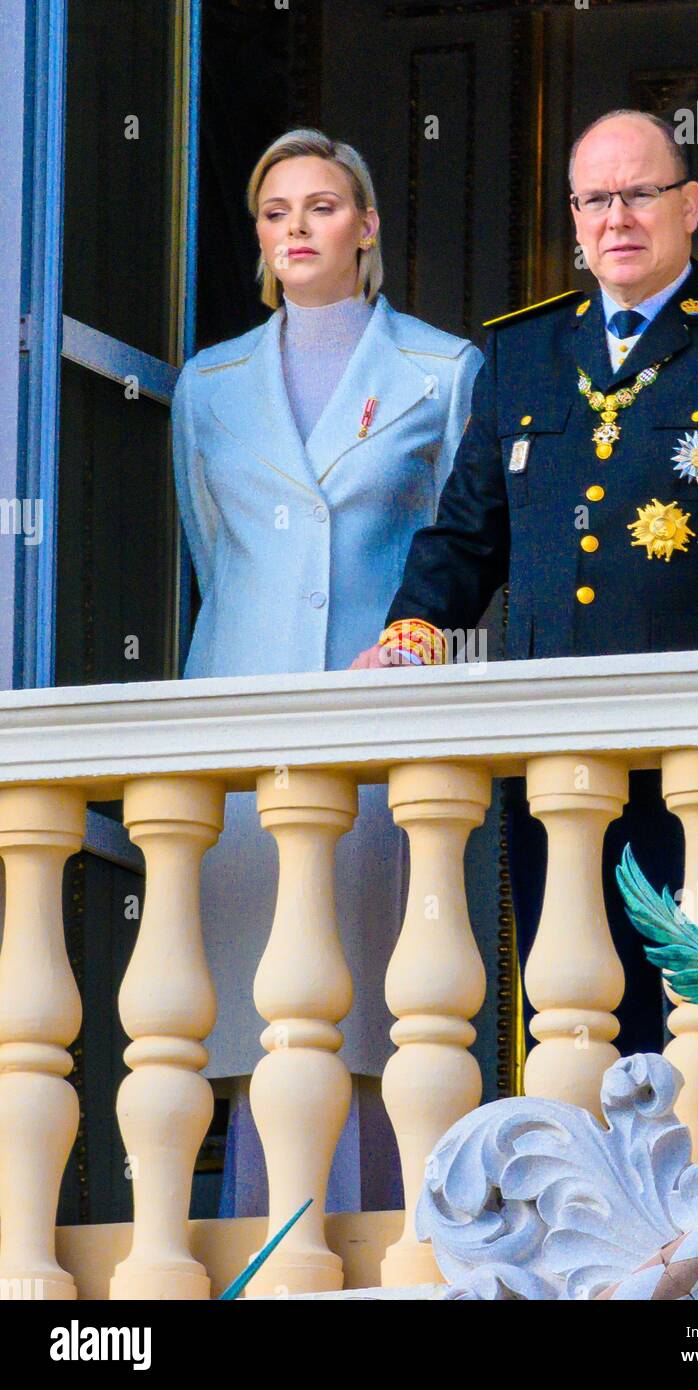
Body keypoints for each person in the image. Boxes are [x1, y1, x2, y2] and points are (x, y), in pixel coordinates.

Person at [351, 108, 698, 1065]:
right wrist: (413, 628)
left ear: (689, 207)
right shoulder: (523, 355)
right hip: (555, 753)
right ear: (574, 217)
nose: (618, 217)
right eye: (596, 199)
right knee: (572, 1010)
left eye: (641, 193)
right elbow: (465, 531)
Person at [172, 128, 483, 1215]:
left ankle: (395, 1243)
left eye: (319, 206)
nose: (296, 227)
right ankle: (264, 1245)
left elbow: (459, 554)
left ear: (366, 226)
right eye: (275, 211)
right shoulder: (206, 385)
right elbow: (218, 557)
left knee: (383, 1008)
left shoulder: (443, 370)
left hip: (381, 726)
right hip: (243, 730)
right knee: (258, 1008)